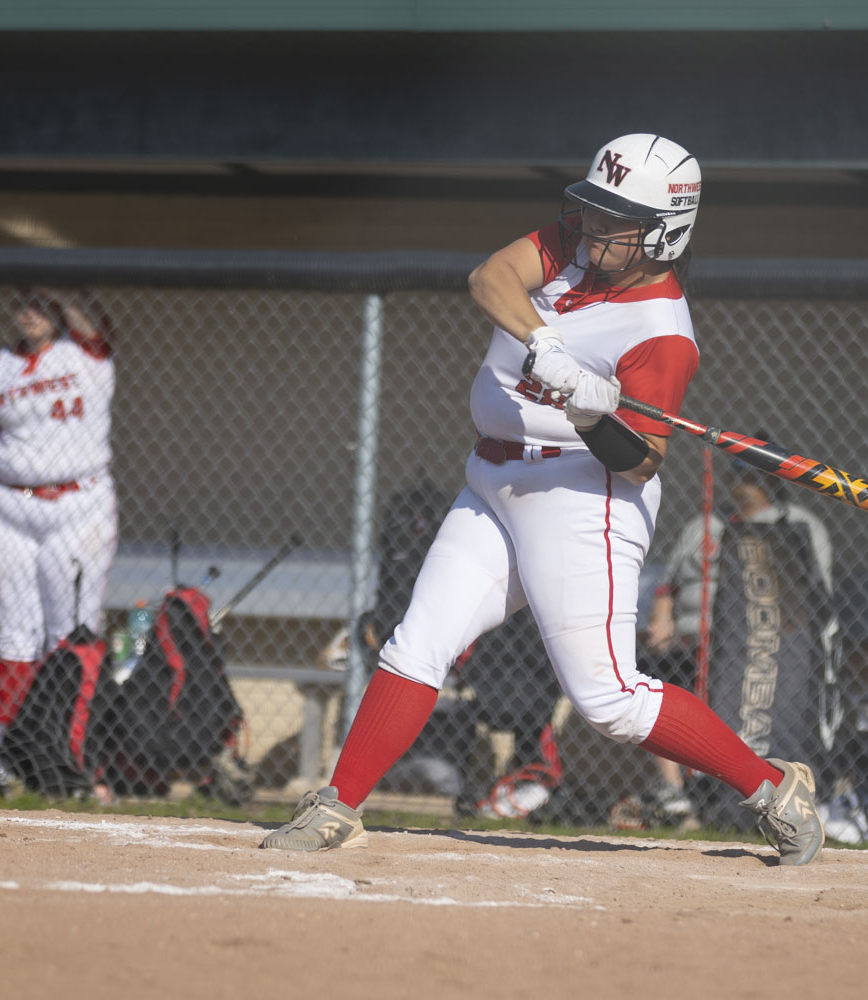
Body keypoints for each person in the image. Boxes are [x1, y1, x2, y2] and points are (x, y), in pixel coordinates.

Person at [261, 133, 825, 865]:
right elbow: (489, 277)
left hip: (580, 496)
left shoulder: (662, 333)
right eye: (594, 208)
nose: (594, 227)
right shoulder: (572, 246)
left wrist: (593, 411)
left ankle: (772, 789)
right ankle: (338, 806)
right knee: (418, 640)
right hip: (492, 481)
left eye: (617, 218)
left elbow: (642, 462)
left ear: (664, 233)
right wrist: (546, 349)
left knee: (610, 700)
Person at [0, 286, 117, 790]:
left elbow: (94, 325)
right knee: (15, 633)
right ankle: (11, 751)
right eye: (22, 302)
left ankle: (70, 753)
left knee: (72, 633)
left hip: (77, 504)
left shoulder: (85, 352)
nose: (30, 312)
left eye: (41, 304)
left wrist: (59, 285)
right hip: (8, 506)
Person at [616, 453, 835, 830]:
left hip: (760, 644)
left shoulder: (801, 526)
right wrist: (661, 619)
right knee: (651, 681)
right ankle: (677, 793)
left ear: (772, 480)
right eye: (736, 474)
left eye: (752, 475)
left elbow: (816, 601)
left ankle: (755, 790)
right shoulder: (706, 526)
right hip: (690, 644)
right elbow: (667, 587)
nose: (741, 484)